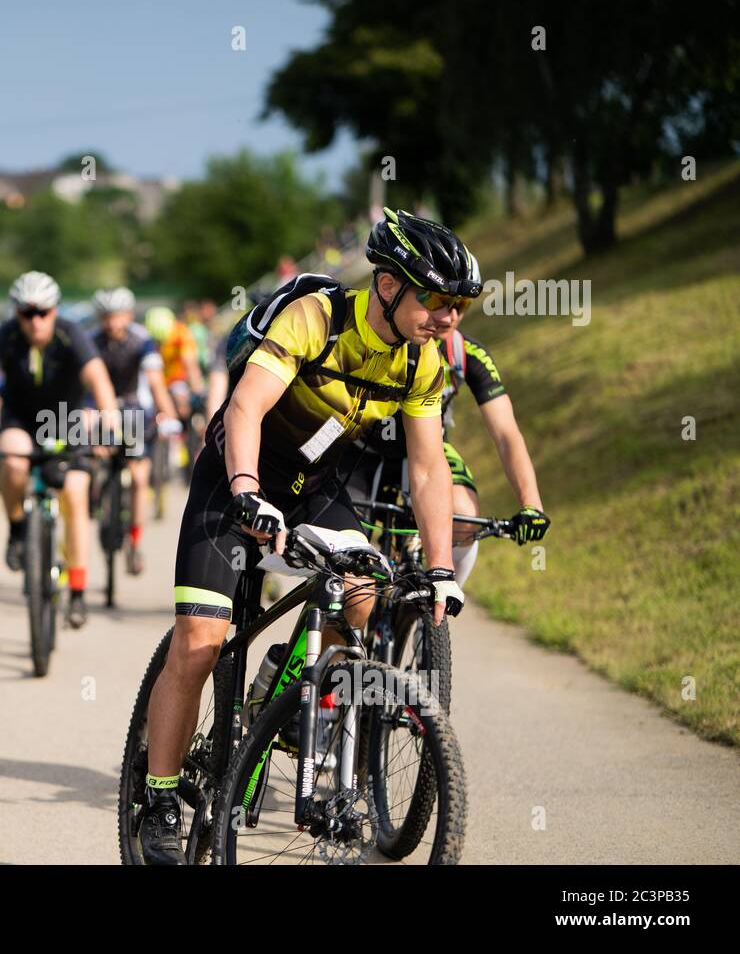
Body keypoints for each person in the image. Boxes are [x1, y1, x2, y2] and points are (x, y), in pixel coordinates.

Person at [137, 208, 478, 864]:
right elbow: (245, 406)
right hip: (234, 474)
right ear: (388, 286)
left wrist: (441, 567)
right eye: (436, 300)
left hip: (316, 486)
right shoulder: (317, 318)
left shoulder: (422, 363)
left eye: (460, 307)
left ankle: (290, 700)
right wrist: (244, 488)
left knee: (363, 596)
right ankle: (157, 795)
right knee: (202, 640)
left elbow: (430, 466)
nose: (448, 319)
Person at [0, 271, 118, 629]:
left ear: (55, 310)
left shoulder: (71, 334)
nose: (36, 321)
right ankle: (17, 529)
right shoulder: (5, 336)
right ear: (16, 313)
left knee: (74, 493)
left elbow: (99, 381)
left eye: (43, 312)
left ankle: (76, 591)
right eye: (27, 314)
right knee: (12, 461)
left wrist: (113, 431)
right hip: (21, 420)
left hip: (66, 419)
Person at [344, 304, 550, 585]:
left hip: (430, 450)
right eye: (442, 302)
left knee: (464, 516)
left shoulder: (466, 353)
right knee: (349, 560)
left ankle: (433, 616)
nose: (451, 315)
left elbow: (506, 434)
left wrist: (531, 504)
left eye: (461, 306)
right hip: (365, 450)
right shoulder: (384, 339)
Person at [88, 287, 180, 575]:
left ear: (128, 316)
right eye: (106, 317)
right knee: (88, 446)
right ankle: (97, 495)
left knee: (140, 478)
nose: (113, 324)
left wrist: (168, 415)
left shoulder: (142, 341)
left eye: (118, 317)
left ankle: (135, 541)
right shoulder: (91, 340)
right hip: (98, 406)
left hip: (132, 408)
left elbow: (155, 382)